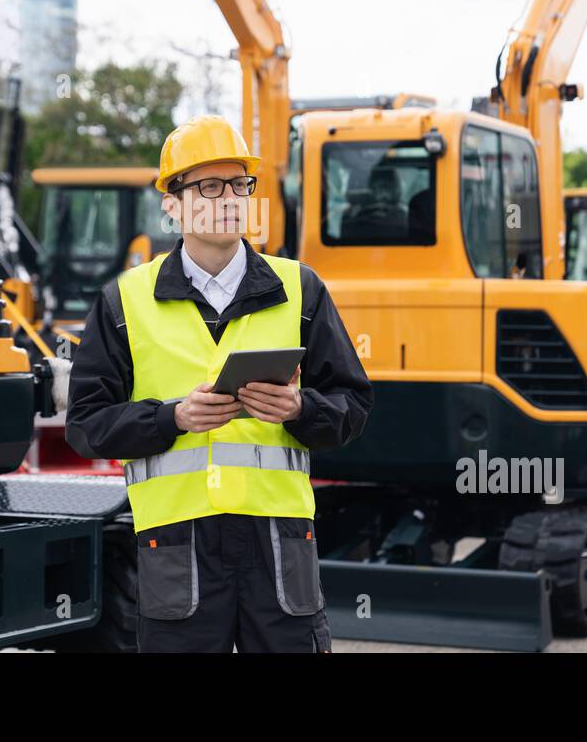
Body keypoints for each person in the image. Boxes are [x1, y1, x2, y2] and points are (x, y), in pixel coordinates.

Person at [65, 114, 372, 652]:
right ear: (173, 203)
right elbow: (87, 426)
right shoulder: (124, 301)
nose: (228, 197)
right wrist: (171, 418)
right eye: (208, 185)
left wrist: (300, 408)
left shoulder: (300, 288)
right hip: (175, 542)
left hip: (278, 540)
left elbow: (353, 406)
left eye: (239, 184)